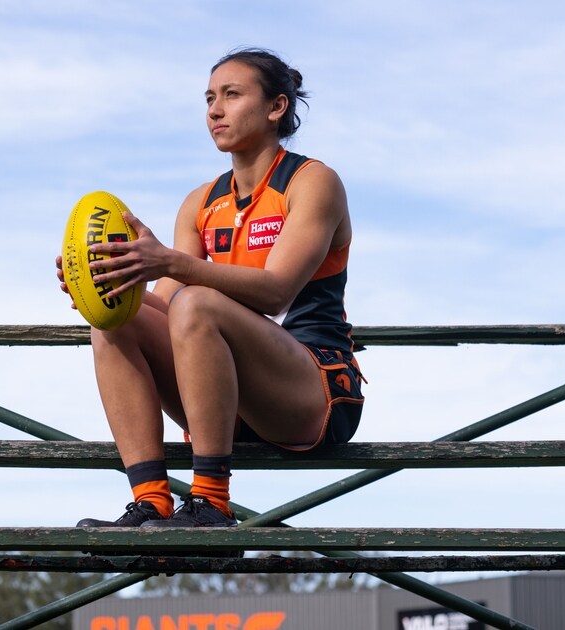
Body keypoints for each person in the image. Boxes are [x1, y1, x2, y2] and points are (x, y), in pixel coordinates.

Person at [55, 48, 364, 529]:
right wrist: (104, 285)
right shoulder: (200, 202)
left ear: (276, 107)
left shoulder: (313, 182)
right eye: (209, 99)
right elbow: (162, 306)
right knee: (115, 316)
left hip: (314, 394)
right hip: (227, 403)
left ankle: (211, 505)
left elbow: (276, 292)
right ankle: (151, 501)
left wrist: (172, 262)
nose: (215, 110)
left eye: (232, 95)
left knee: (196, 302)